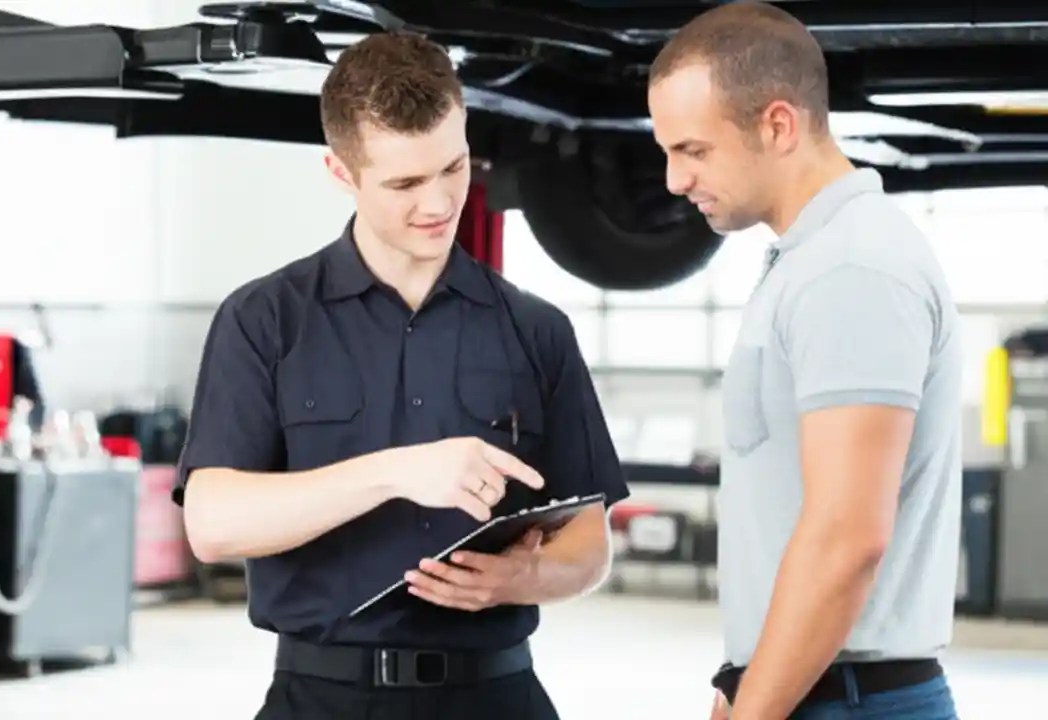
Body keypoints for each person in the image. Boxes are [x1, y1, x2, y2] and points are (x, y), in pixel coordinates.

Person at [172, 31, 629, 719]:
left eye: (453, 167)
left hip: (497, 697)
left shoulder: (536, 331)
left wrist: (526, 575)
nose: (439, 203)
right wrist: (393, 473)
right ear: (340, 173)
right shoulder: (264, 320)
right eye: (404, 184)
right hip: (322, 700)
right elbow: (211, 525)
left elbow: (590, 545)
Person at [646, 3, 962, 719]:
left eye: (693, 150)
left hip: (845, 701)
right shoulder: (811, 260)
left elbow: (848, 537)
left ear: (778, 125)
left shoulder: (851, 269)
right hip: (807, 692)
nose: (672, 179)